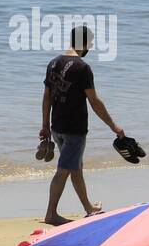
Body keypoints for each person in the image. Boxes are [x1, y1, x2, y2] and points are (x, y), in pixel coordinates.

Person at [39, 26, 125, 225]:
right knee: (64, 169)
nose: (90, 48)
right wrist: (114, 127)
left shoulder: (53, 63)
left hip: (57, 127)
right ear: (84, 43)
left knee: (75, 167)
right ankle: (51, 214)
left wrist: (45, 124)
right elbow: (94, 101)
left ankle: (88, 207)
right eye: (90, 44)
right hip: (74, 129)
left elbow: (47, 96)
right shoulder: (82, 67)